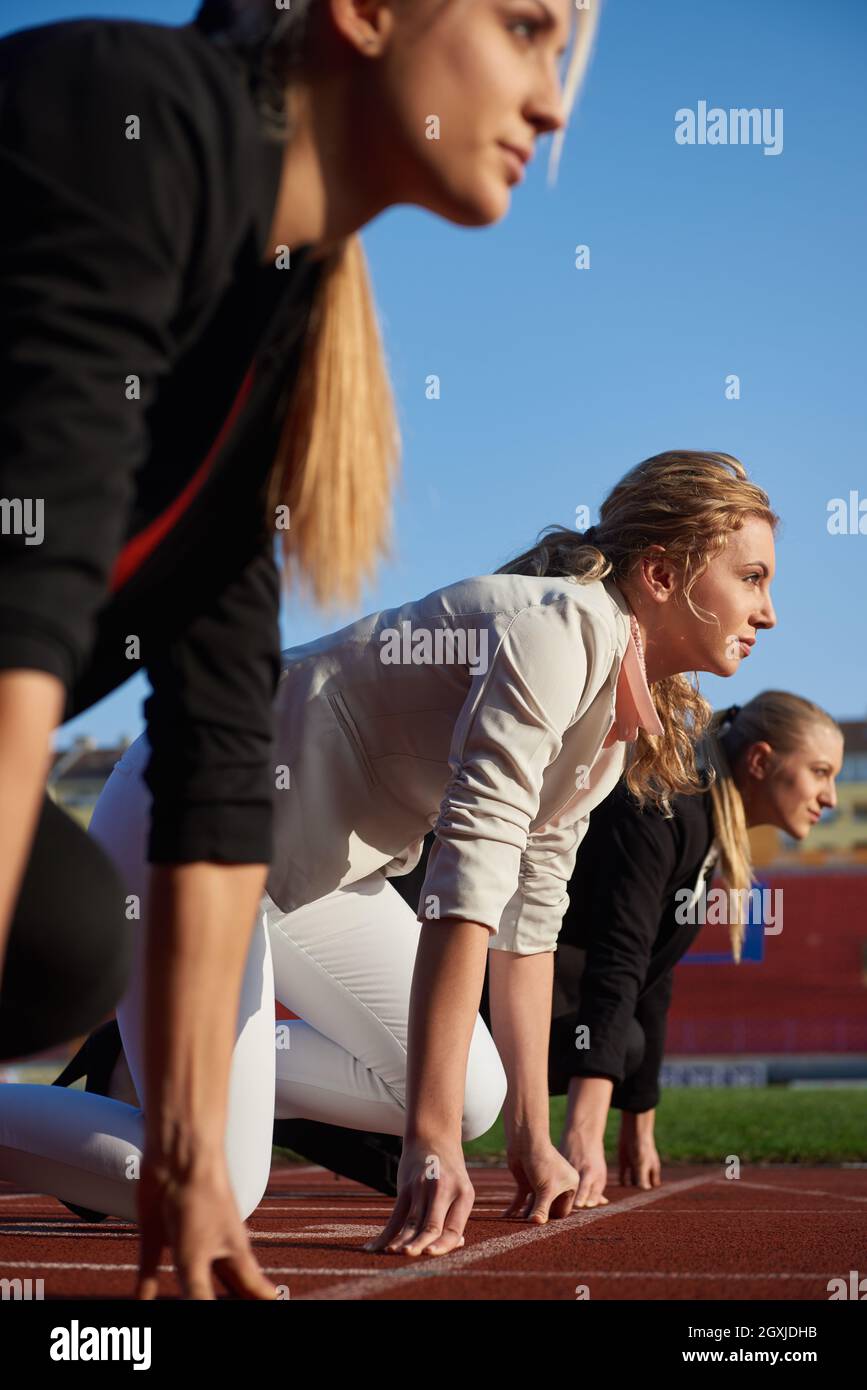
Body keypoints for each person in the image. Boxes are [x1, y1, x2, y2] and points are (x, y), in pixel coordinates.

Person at [0, 0, 598, 1297]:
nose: (552, 102)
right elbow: (22, 593)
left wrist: (184, 1166)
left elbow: (217, 741)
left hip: (224, 857)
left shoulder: (279, 321)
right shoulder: (128, 116)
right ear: (366, 13)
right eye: (524, 28)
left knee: (59, 943)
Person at [0, 449, 778, 1260]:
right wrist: (426, 1143)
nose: (768, 613)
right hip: (190, 828)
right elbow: (467, 878)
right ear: (661, 573)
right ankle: (181, 1098)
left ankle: (152, 1075)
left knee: (471, 1094)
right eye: (751, 578)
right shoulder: (559, 629)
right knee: (222, 1184)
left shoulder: (609, 732)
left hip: (312, 877)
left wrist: (530, 1136)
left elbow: (525, 919)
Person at [544, 691, 843, 1208]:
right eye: (820, 773)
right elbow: (620, 958)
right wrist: (583, 1134)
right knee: (623, 1041)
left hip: (542, 986)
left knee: (631, 1040)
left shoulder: (702, 818)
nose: (831, 797)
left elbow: (653, 975)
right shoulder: (670, 804)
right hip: (487, 985)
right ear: (759, 761)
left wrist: (640, 1119)